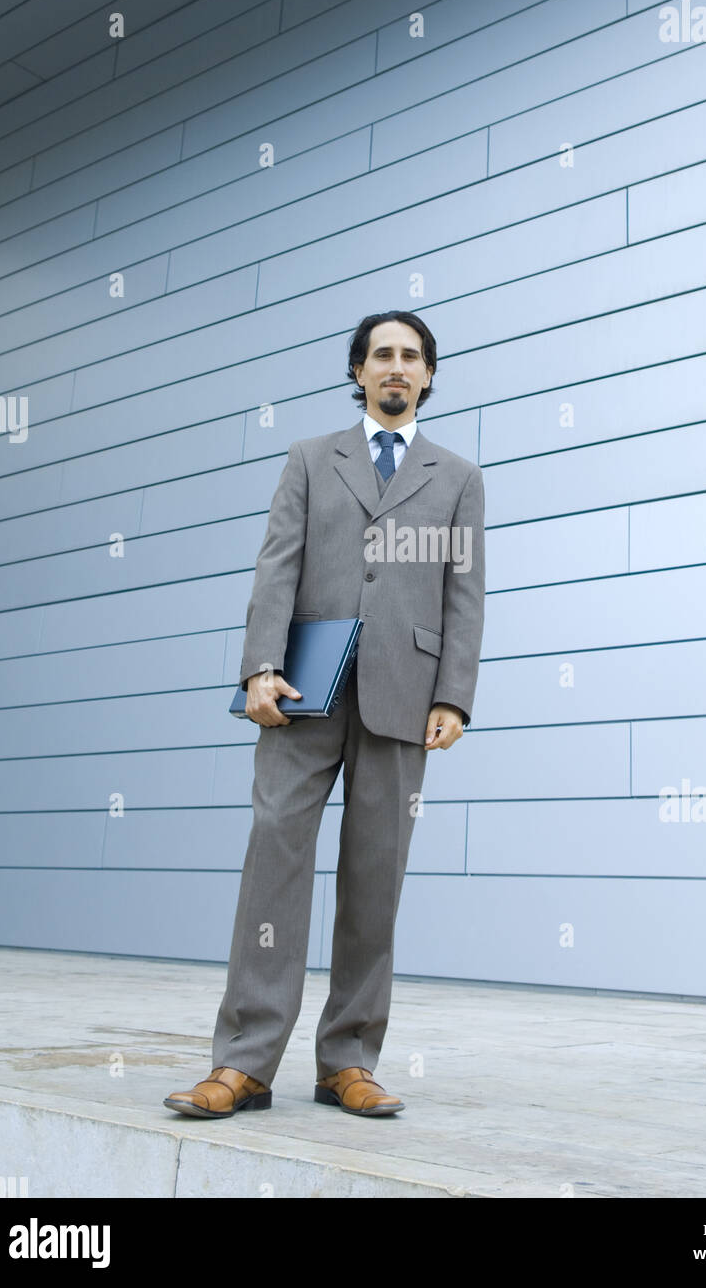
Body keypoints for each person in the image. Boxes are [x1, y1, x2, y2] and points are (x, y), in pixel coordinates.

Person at [164, 310, 486, 1119]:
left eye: (411, 357)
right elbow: (276, 566)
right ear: (357, 371)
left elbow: (464, 594)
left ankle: (349, 1059)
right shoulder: (309, 460)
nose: (396, 368)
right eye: (382, 355)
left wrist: (453, 694)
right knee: (272, 866)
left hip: (405, 700)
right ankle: (244, 1062)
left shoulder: (458, 476)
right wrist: (258, 670)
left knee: (376, 881)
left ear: (430, 375)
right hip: (301, 692)